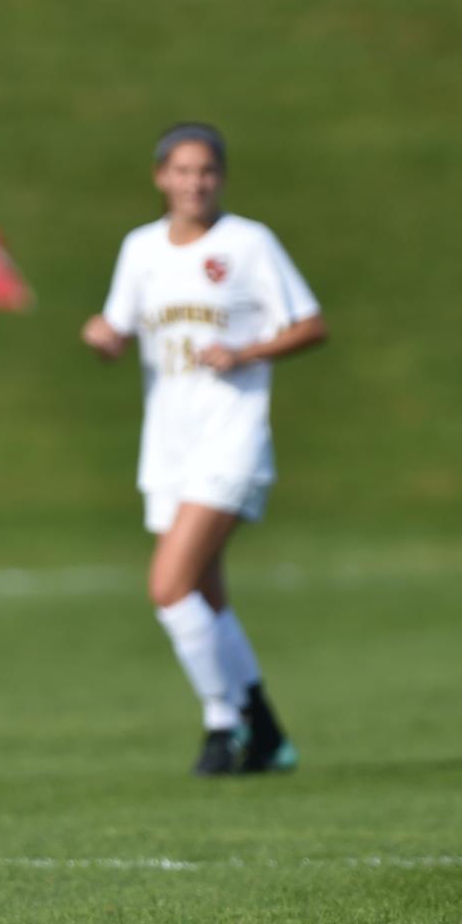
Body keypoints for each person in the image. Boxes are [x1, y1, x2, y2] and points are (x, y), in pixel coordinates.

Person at [79, 123, 327, 775]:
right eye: (183, 171)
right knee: (206, 594)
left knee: (168, 585)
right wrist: (104, 338)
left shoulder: (248, 244)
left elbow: (311, 324)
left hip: (232, 436)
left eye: (207, 171)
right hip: (168, 444)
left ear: (221, 176)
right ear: (161, 176)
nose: (195, 183)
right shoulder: (140, 249)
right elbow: (121, 329)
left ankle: (223, 725)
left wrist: (245, 351)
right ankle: (264, 733)